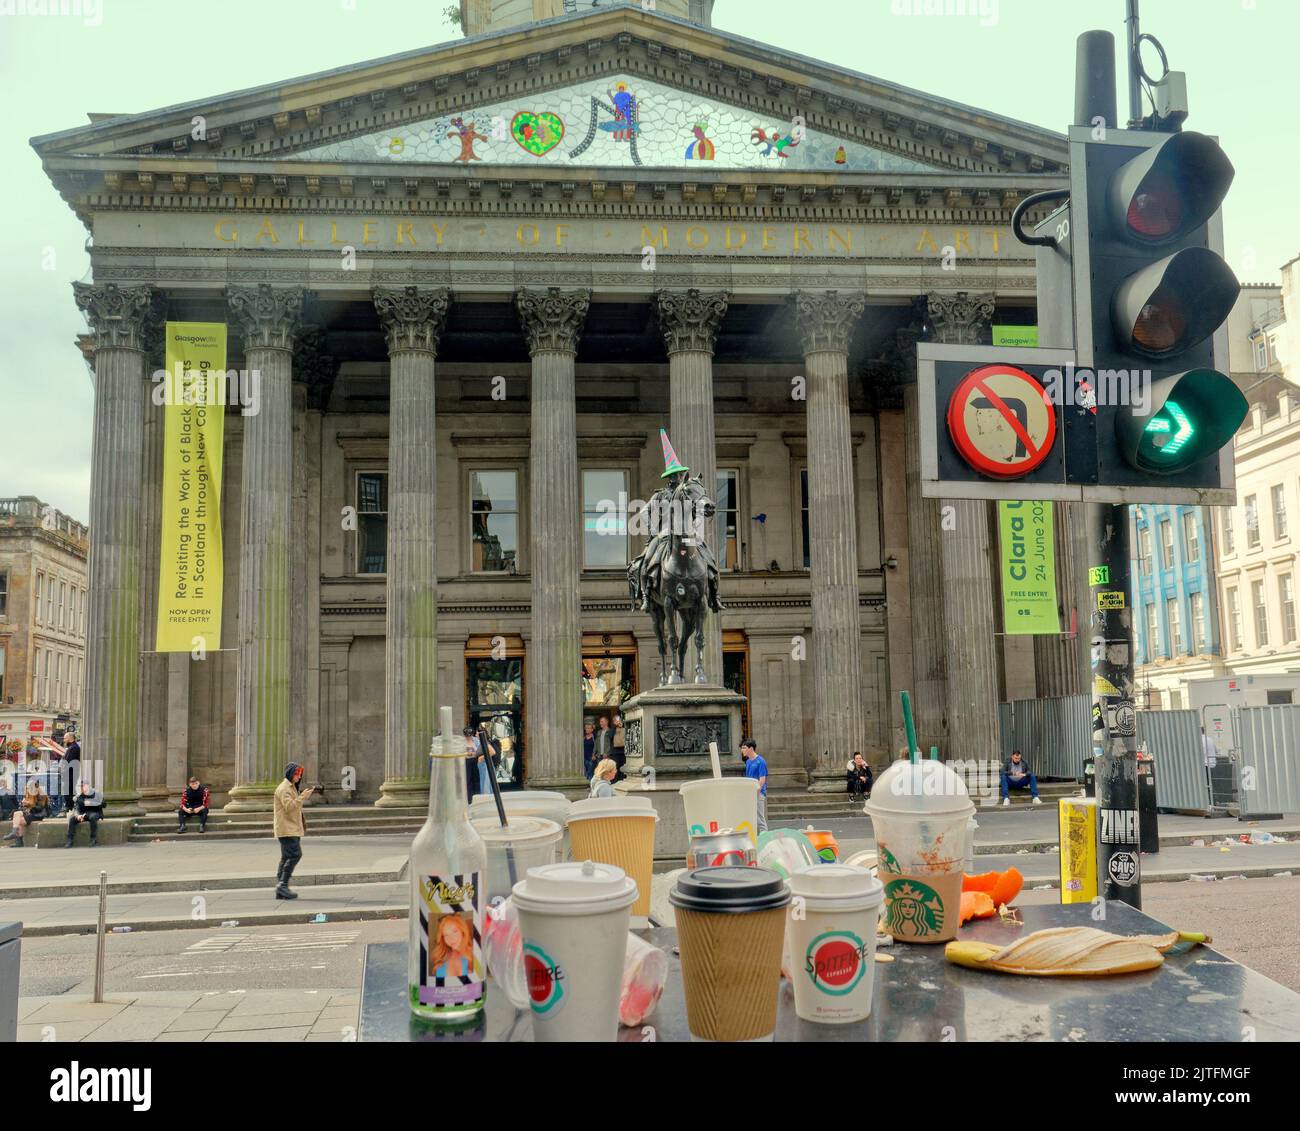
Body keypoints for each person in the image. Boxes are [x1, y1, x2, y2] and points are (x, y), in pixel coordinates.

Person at [272, 762, 313, 900]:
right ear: (290, 774)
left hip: (290, 828)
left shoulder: (291, 787)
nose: (299, 776)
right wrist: (303, 797)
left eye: (300, 774)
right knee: (295, 854)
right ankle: (282, 885)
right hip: (287, 829)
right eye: (297, 774)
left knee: (286, 857)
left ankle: (280, 886)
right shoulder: (284, 788)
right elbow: (289, 807)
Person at [4, 780, 51, 847]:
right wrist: (25, 804)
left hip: (38, 814)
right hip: (31, 812)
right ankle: (14, 833)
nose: (28, 789)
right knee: (17, 814)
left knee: (19, 820)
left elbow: (39, 808)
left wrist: (29, 804)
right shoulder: (31, 794)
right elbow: (29, 806)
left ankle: (18, 841)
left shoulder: (42, 794)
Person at [740, 738, 768, 833]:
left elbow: (762, 780)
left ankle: (765, 837)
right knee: (751, 817)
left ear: (751, 748)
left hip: (758, 793)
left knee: (760, 818)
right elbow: (749, 778)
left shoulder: (761, 761)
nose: (742, 750)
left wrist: (756, 791)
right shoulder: (748, 762)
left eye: (744, 748)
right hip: (750, 793)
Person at [64, 781, 104, 847]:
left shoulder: (96, 794)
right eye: (82, 786)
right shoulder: (80, 796)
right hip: (84, 814)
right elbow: (76, 807)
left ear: (89, 786)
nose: (84, 788)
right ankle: (70, 840)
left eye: (85, 786)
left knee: (92, 817)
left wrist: (91, 803)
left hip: (95, 812)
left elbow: (103, 804)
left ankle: (93, 839)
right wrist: (78, 815)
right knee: (72, 819)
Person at [611, 713, 627, 781]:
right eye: (615, 720)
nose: (617, 722)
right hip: (615, 752)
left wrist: (621, 726)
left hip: (623, 751)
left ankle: (622, 779)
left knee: (623, 767)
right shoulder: (612, 729)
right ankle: (615, 781)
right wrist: (616, 727)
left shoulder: (625, 727)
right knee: (615, 767)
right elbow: (610, 736)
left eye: (618, 720)